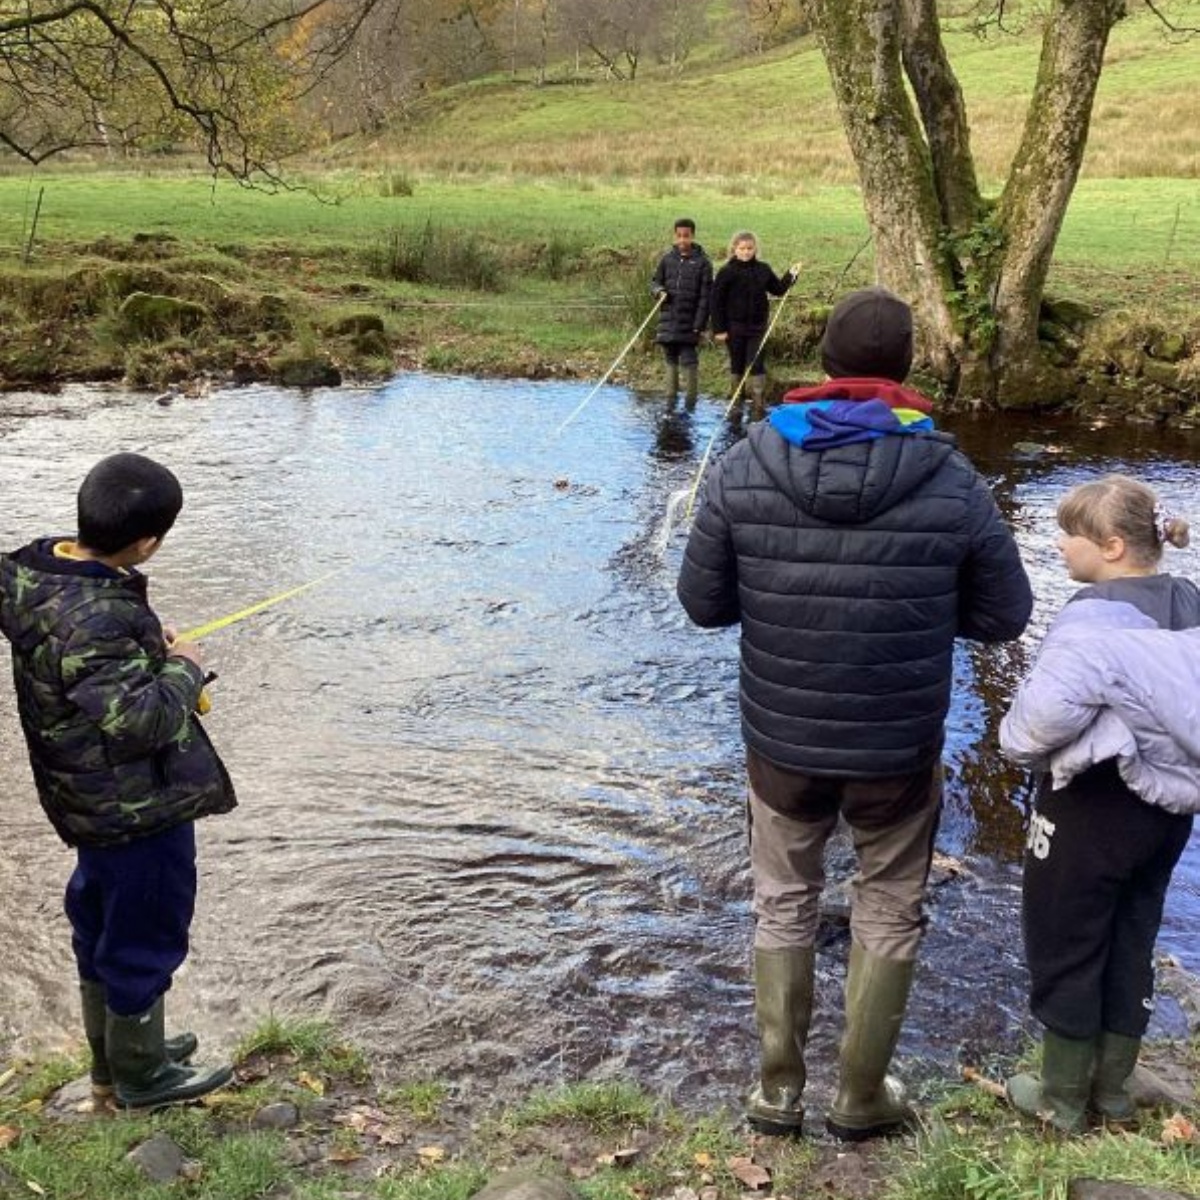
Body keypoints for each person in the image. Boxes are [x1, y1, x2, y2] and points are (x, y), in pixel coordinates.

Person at [676, 286, 1033, 1141]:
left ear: (826, 361)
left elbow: (702, 605)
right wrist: (921, 605)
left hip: (781, 744)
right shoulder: (951, 476)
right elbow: (1005, 616)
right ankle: (860, 1099)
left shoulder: (747, 461)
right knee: (890, 906)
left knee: (782, 900)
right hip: (897, 749)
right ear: (906, 365)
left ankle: (777, 1094)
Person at [0, 452, 237, 1109]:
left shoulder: (41, 576)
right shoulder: (97, 617)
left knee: (100, 922)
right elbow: (143, 721)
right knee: (145, 932)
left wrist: (142, 642)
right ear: (147, 544)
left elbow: (85, 662)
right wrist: (185, 666)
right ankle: (142, 1076)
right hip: (135, 809)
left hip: (88, 802)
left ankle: (117, 1058)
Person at [999, 475, 1200, 1134]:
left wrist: (1010, 736)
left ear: (1112, 547)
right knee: (1132, 936)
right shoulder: (1189, 600)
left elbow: (1033, 730)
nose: (1059, 545)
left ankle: (1060, 1098)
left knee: (1065, 939)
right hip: (1168, 815)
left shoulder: (1092, 622)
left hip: (1090, 809)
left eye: (1071, 534)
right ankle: (1112, 1092)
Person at [710, 231, 800, 419]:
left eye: (749, 248)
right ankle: (736, 402)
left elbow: (778, 289)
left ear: (755, 249)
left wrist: (791, 275)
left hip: (757, 328)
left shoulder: (763, 269)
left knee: (756, 363)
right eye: (742, 248)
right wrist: (719, 329)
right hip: (734, 328)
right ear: (734, 249)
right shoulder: (726, 272)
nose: (746, 252)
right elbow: (716, 302)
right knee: (737, 364)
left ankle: (758, 405)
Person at [650, 217, 713, 404]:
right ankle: (670, 401)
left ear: (693, 236)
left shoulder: (703, 263)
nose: (682, 240)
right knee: (670, 360)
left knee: (689, 361)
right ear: (675, 236)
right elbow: (655, 282)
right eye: (679, 236)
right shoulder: (667, 259)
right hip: (668, 322)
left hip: (690, 324)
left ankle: (691, 402)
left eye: (686, 236)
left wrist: (699, 325)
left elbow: (706, 297)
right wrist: (658, 291)